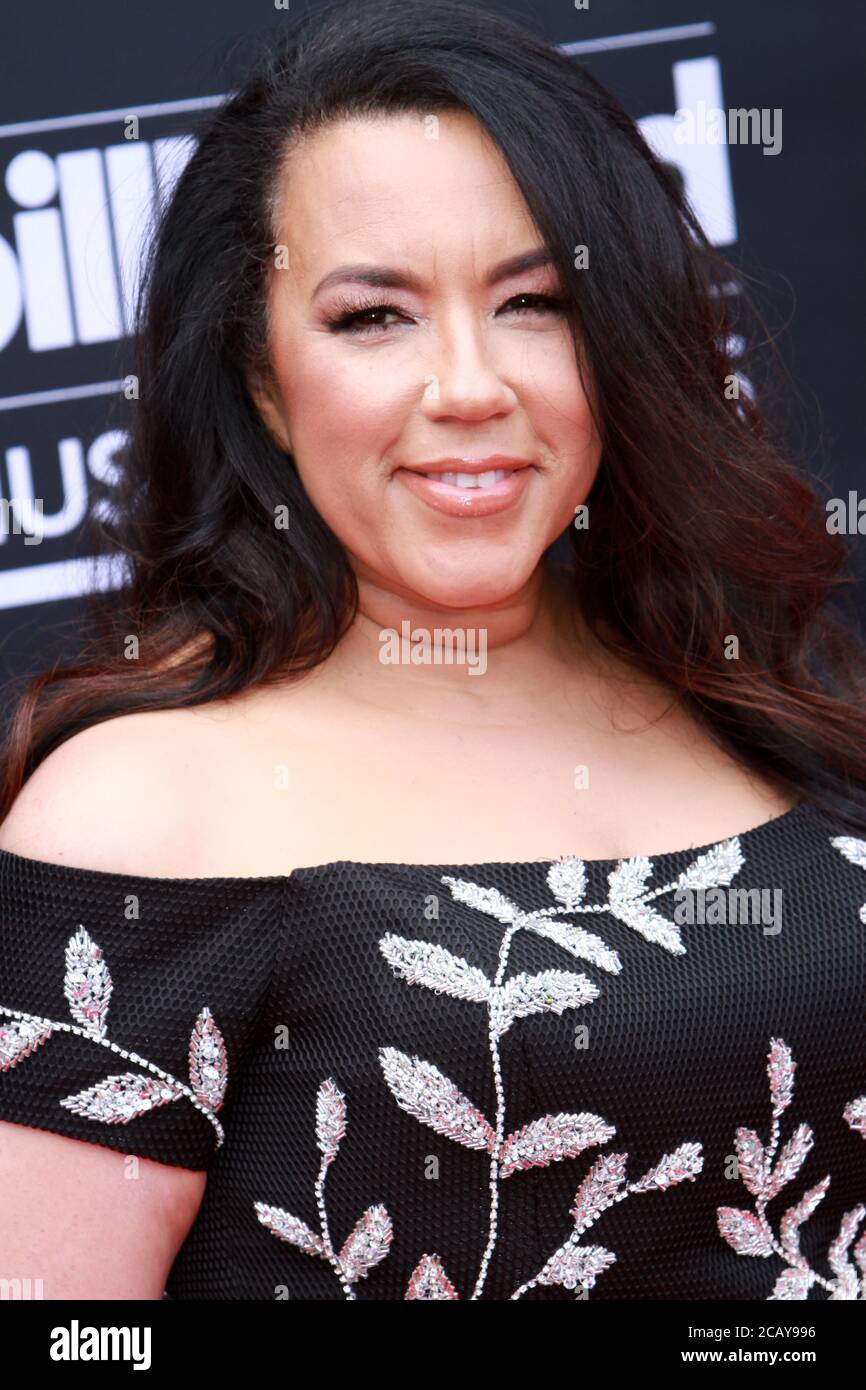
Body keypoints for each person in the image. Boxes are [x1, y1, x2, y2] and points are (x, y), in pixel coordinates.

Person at [1, 0, 865, 1301]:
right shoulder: (135, 814)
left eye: (532, 301)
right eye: (372, 317)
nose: (467, 384)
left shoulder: (751, 696)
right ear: (260, 381)